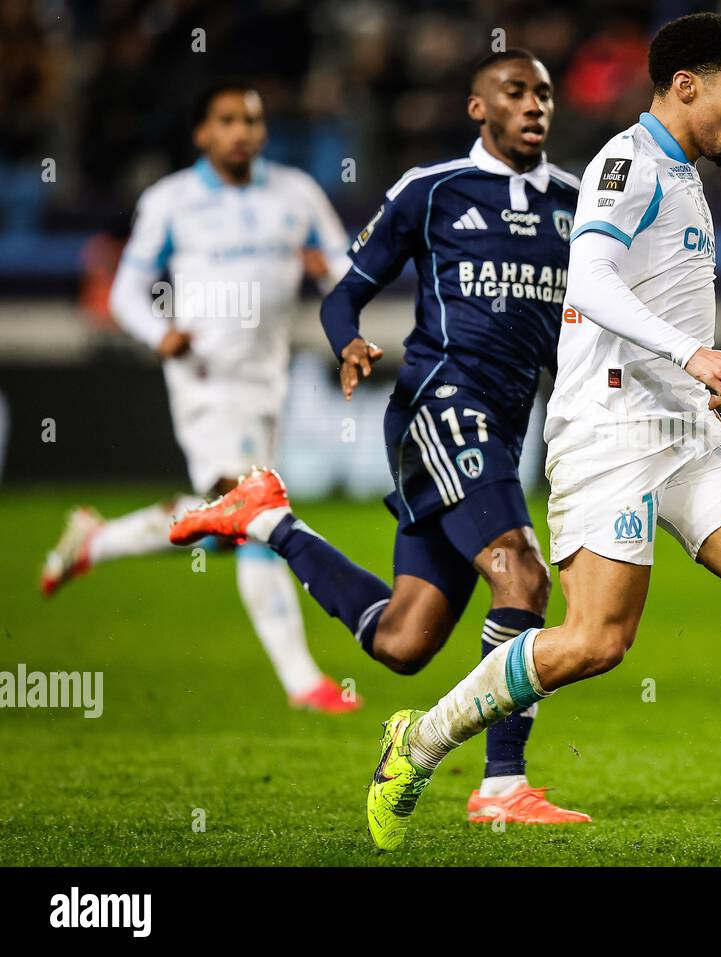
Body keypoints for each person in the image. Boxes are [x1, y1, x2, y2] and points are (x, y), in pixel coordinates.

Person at [169, 52, 590, 825]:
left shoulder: (575, 203)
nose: (535, 105)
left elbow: (578, 329)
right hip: (439, 405)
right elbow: (346, 292)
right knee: (522, 577)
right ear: (477, 107)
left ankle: (268, 520)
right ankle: (501, 786)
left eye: (545, 94)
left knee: (403, 641)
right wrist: (349, 343)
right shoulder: (431, 192)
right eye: (516, 92)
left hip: (505, 422)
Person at [41, 81, 358, 713]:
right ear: (202, 133)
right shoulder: (172, 199)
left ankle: (95, 541)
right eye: (228, 120)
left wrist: (330, 276)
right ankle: (303, 682)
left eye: (253, 120)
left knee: (225, 522)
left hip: (268, 378)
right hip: (206, 379)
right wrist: (161, 335)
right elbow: (128, 290)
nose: (243, 130)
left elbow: (346, 267)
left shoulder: (295, 193)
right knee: (250, 512)